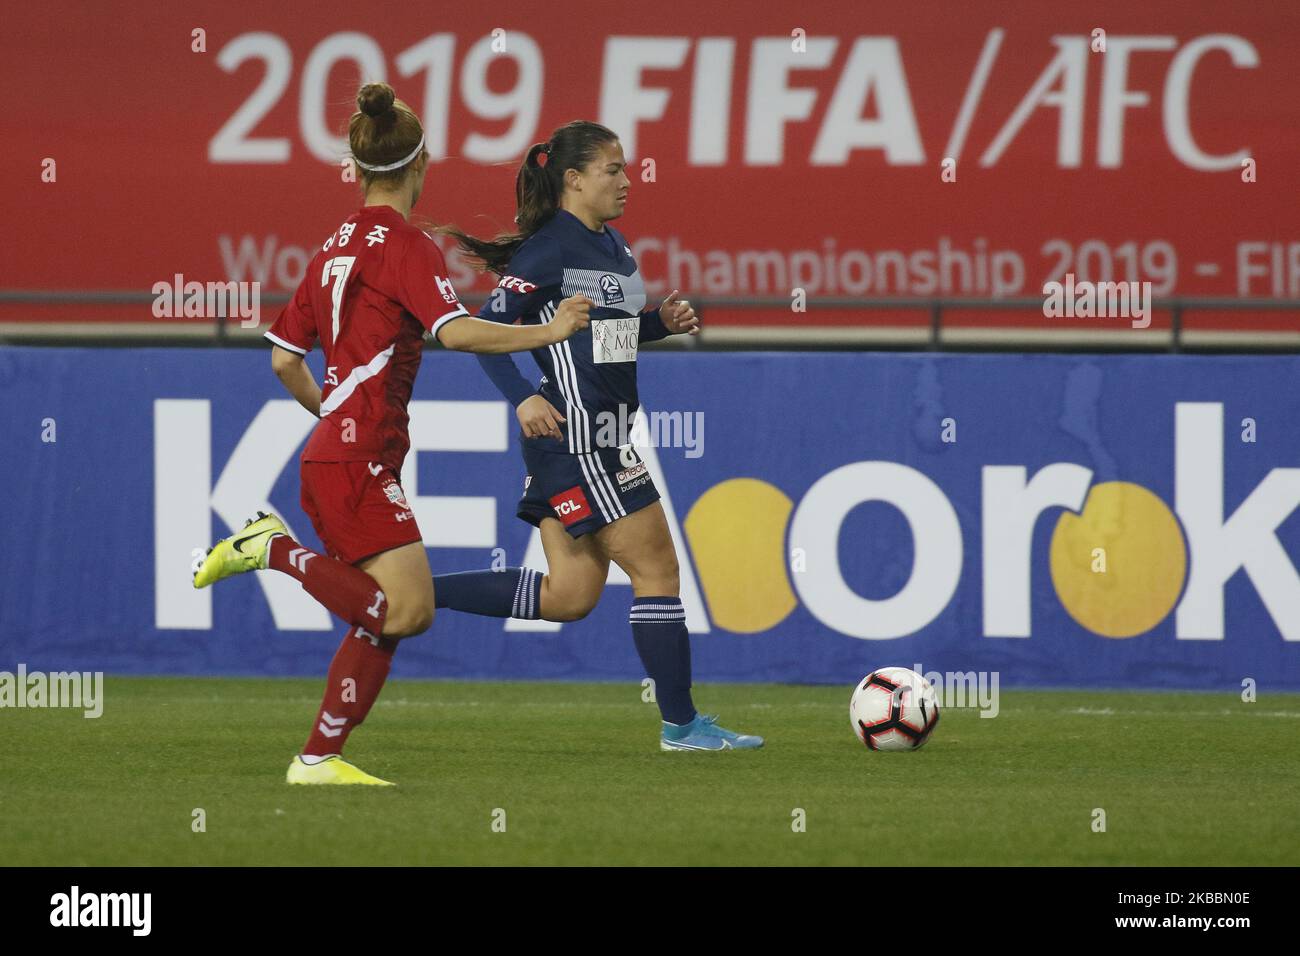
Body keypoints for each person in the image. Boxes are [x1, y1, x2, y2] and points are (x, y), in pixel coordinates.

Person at [192, 83, 589, 785]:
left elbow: (285, 358)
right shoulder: (405, 246)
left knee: (385, 615)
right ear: (421, 163)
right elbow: (456, 331)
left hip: (340, 454)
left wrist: (330, 412)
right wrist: (548, 329)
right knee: (409, 609)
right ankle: (272, 549)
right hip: (358, 457)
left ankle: (319, 758)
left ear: (359, 164)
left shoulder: (332, 247)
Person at [433, 121, 763, 752]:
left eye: (625, 167)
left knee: (570, 594)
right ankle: (682, 725)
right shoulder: (548, 250)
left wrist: (657, 325)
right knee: (659, 568)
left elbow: (605, 340)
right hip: (580, 435)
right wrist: (524, 395)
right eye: (612, 169)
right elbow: (480, 331)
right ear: (574, 180)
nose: (626, 180)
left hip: (603, 432)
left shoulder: (614, 247)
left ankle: (413, 595)